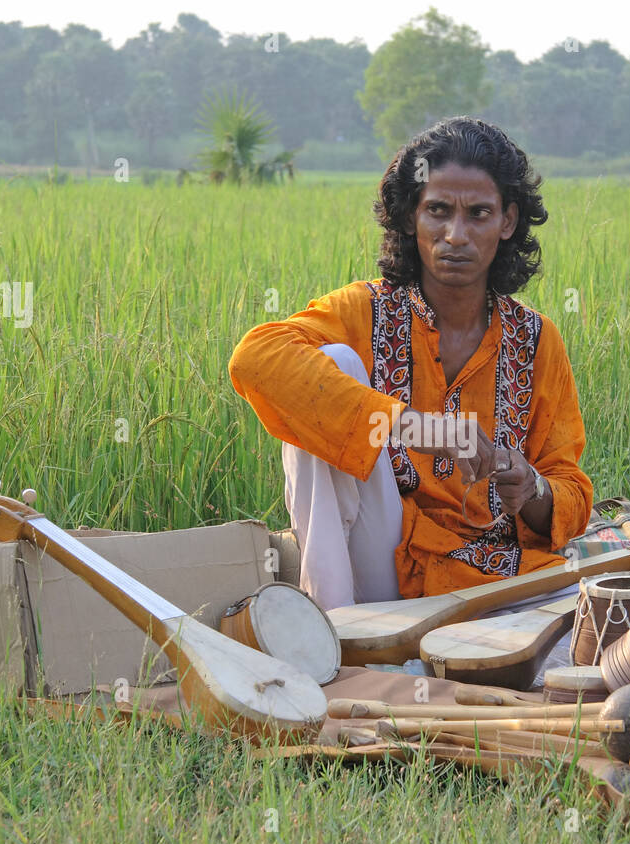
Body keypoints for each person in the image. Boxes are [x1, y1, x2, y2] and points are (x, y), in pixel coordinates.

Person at [229, 116, 593, 611]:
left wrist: (532, 487)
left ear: (507, 222)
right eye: (438, 211)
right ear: (409, 218)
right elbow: (255, 358)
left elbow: (569, 490)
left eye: (479, 214)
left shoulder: (536, 341)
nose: (456, 235)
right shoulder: (363, 311)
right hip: (384, 563)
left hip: (493, 574)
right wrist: (420, 428)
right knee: (328, 363)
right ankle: (332, 632)